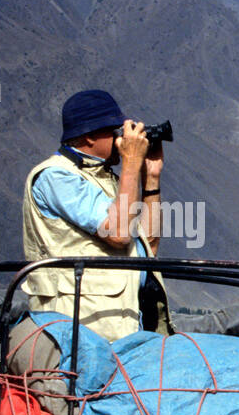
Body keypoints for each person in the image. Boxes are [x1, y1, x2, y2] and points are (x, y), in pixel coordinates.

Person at [21, 89, 172, 341]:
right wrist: (131, 164)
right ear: (89, 136)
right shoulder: (55, 177)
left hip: (123, 327)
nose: (123, 139)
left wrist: (151, 178)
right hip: (81, 332)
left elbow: (149, 247)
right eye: (116, 131)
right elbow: (119, 234)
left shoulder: (110, 180)